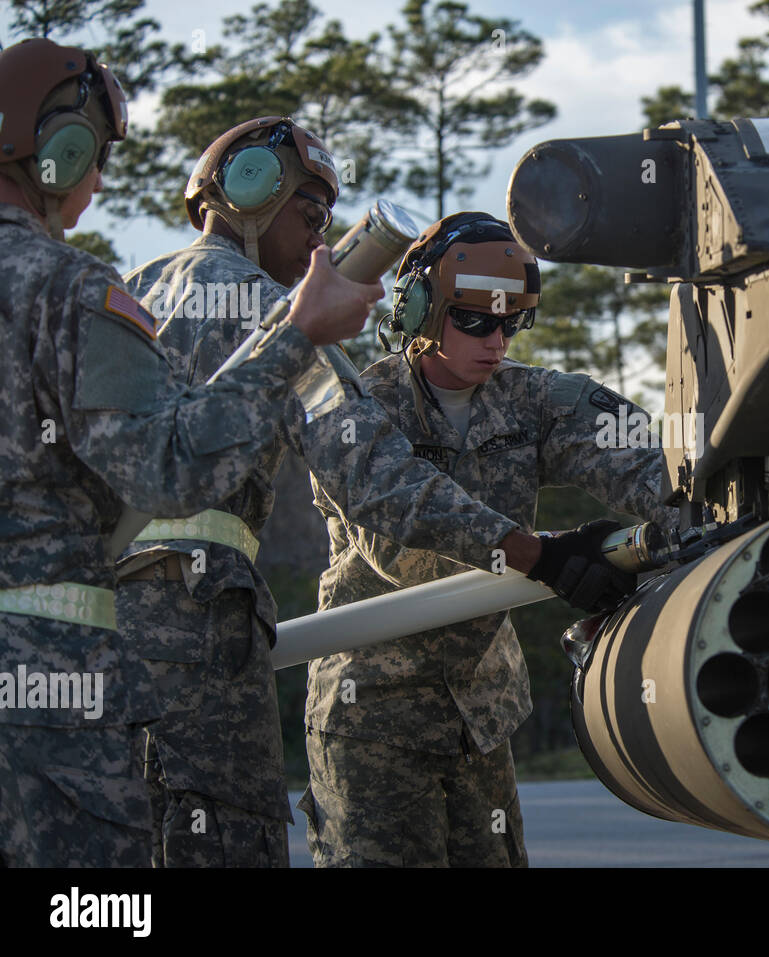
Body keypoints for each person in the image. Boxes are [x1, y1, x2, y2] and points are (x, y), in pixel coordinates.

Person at [118, 127, 628, 866]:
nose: (320, 242)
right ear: (254, 191)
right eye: (313, 214)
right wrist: (537, 553)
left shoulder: (124, 298)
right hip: (202, 632)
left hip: (95, 633)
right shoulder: (283, 320)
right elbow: (380, 483)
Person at [0, 40, 380, 867]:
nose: (96, 182)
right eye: (93, 159)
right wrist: (301, 335)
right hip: (102, 671)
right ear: (54, 150)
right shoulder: (74, 289)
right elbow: (179, 469)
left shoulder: (134, 285)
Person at [300, 212, 679, 867]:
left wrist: (699, 517)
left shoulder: (532, 400)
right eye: (474, 318)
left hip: (481, 717)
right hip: (372, 720)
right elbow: (403, 546)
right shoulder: (359, 405)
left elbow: (649, 463)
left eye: (511, 320)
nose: (496, 339)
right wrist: (547, 555)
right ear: (419, 308)